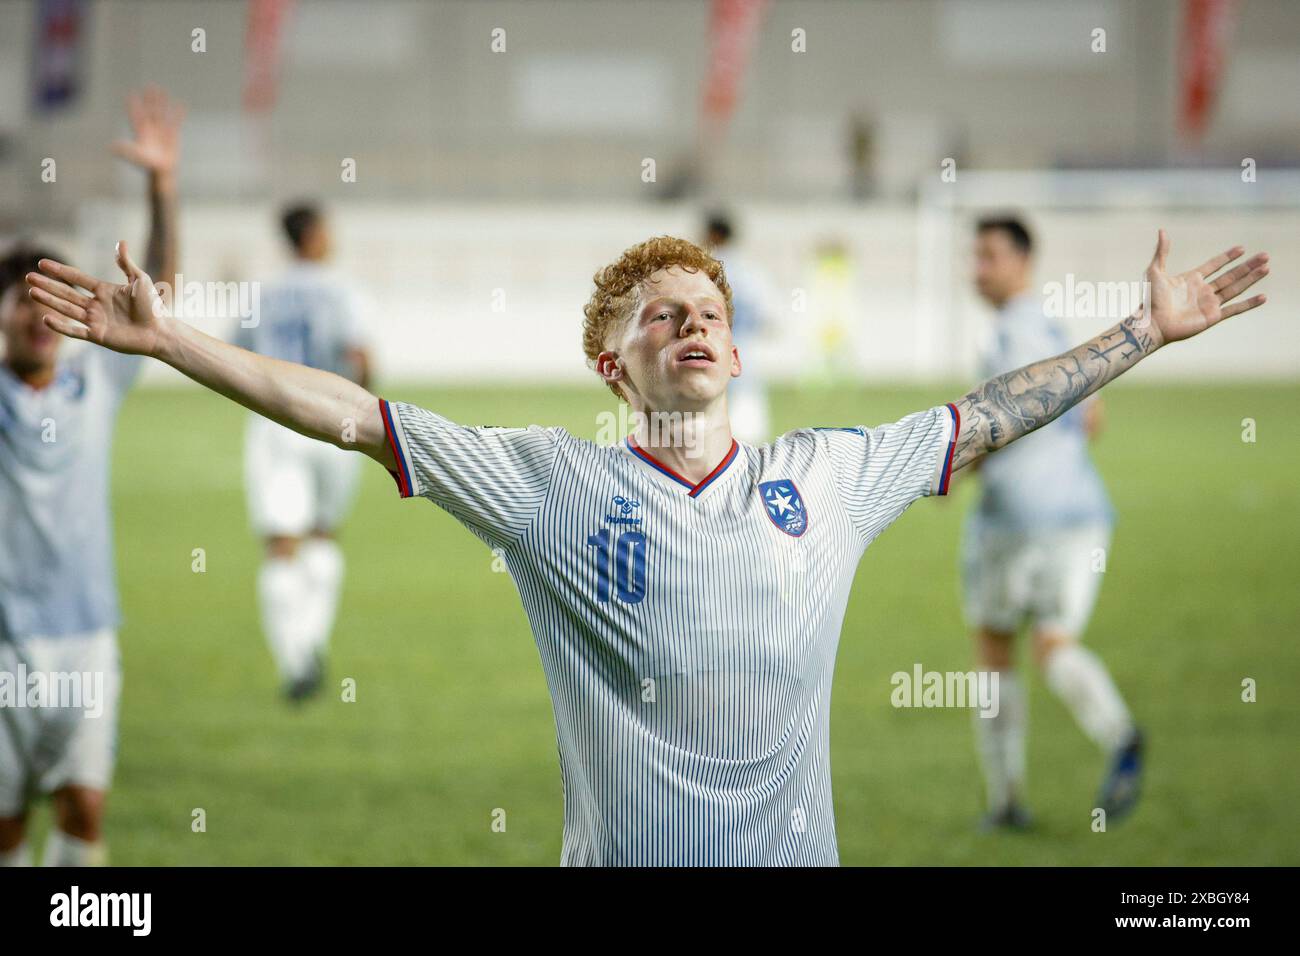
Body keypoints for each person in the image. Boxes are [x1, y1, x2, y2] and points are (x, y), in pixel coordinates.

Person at [24, 230, 1267, 865]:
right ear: (609, 363)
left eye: (711, 312)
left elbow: (998, 406)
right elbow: (349, 415)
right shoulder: (544, 485)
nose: (694, 323)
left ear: (736, 349)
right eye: (660, 313)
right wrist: (180, 345)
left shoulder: (828, 475)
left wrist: (1138, 334)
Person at [0, 87, 182, 867]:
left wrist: (162, 189)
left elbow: (158, 299)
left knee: (84, 805)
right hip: (4, 643)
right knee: (5, 824)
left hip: (86, 634)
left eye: (53, 300)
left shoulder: (94, 385)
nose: (39, 315)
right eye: (20, 300)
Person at [965, 216, 1138, 831]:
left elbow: (1000, 422)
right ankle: (1120, 735)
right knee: (1054, 644)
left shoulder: (1010, 333)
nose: (976, 269)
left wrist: (950, 472)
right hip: (1082, 516)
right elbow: (1094, 419)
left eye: (988, 256)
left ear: (1021, 260)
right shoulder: (1056, 330)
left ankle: (1007, 801)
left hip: (1016, 520)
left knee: (994, 650)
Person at [234, 203, 372, 700]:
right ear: (313, 234)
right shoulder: (343, 289)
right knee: (323, 534)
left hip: (276, 424)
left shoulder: (266, 293)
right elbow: (361, 356)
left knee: (280, 544)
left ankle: (295, 658)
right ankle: (311, 640)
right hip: (335, 422)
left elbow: (237, 355)